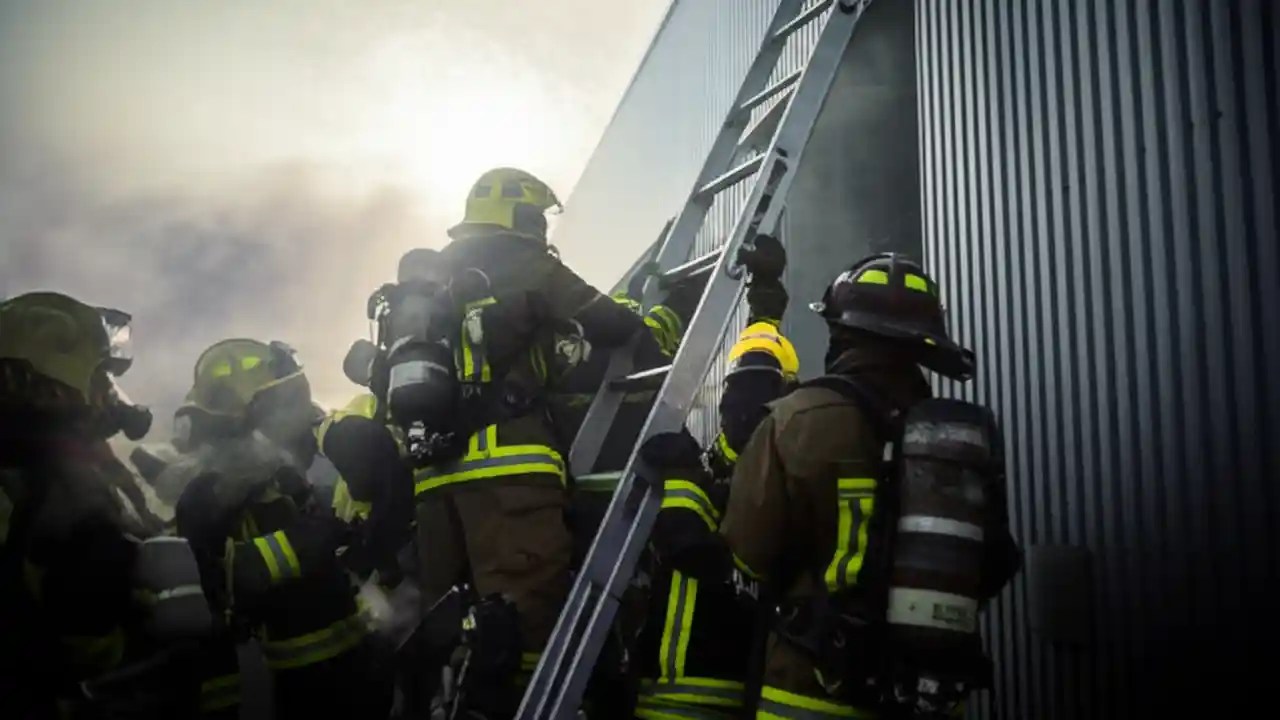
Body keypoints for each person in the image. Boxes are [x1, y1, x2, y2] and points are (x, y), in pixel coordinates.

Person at [708, 253, 1022, 718]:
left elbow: (746, 553)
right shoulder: (957, 440)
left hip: (810, 692)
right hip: (924, 698)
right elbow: (997, 561)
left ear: (842, 331)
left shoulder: (798, 418)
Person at [410, 167, 648, 717]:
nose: (541, 228)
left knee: (456, 630)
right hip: (509, 476)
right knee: (527, 625)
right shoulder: (526, 262)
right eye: (536, 217)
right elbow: (611, 323)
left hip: (434, 480)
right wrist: (647, 313)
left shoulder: (436, 273)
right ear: (517, 216)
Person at [0, 291, 208, 717]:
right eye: (98, 381)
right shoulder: (52, 488)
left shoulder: (62, 468)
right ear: (48, 389)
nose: (109, 397)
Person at [168, 338, 391, 720]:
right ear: (244, 417)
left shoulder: (280, 475)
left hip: (352, 658)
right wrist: (318, 536)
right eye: (282, 406)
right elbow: (224, 584)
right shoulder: (206, 497)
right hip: (300, 681)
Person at [631, 235, 797, 720]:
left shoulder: (776, 462)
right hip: (677, 671)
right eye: (734, 390)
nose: (738, 406)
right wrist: (765, 292)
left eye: (757, 392)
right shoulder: (731, 455)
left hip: (704, 680)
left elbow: (694, 548)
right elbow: (760, 355)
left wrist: (684, 476)